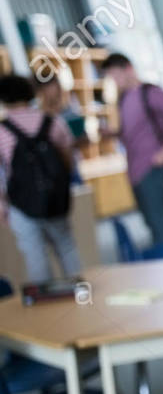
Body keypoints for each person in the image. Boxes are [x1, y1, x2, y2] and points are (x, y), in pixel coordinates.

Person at [101, 52, 163, 246]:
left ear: (129, 69)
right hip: (135, 171)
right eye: (110, 77)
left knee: (160, 224)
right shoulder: (123, 100)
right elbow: (132, 133)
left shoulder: (150, 92)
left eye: (116, 75)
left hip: (153, 168)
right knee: (151, 222)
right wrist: (111, 133)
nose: (114, 81)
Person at [0, 74, 81, 282]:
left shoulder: (2, 131)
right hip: (54, 200)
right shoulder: (52, 121)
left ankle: (45, 298)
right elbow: (69, 159)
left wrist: (2, 204)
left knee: (35, 256)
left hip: (21, 204)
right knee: (66, 247)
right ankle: (81, 293)